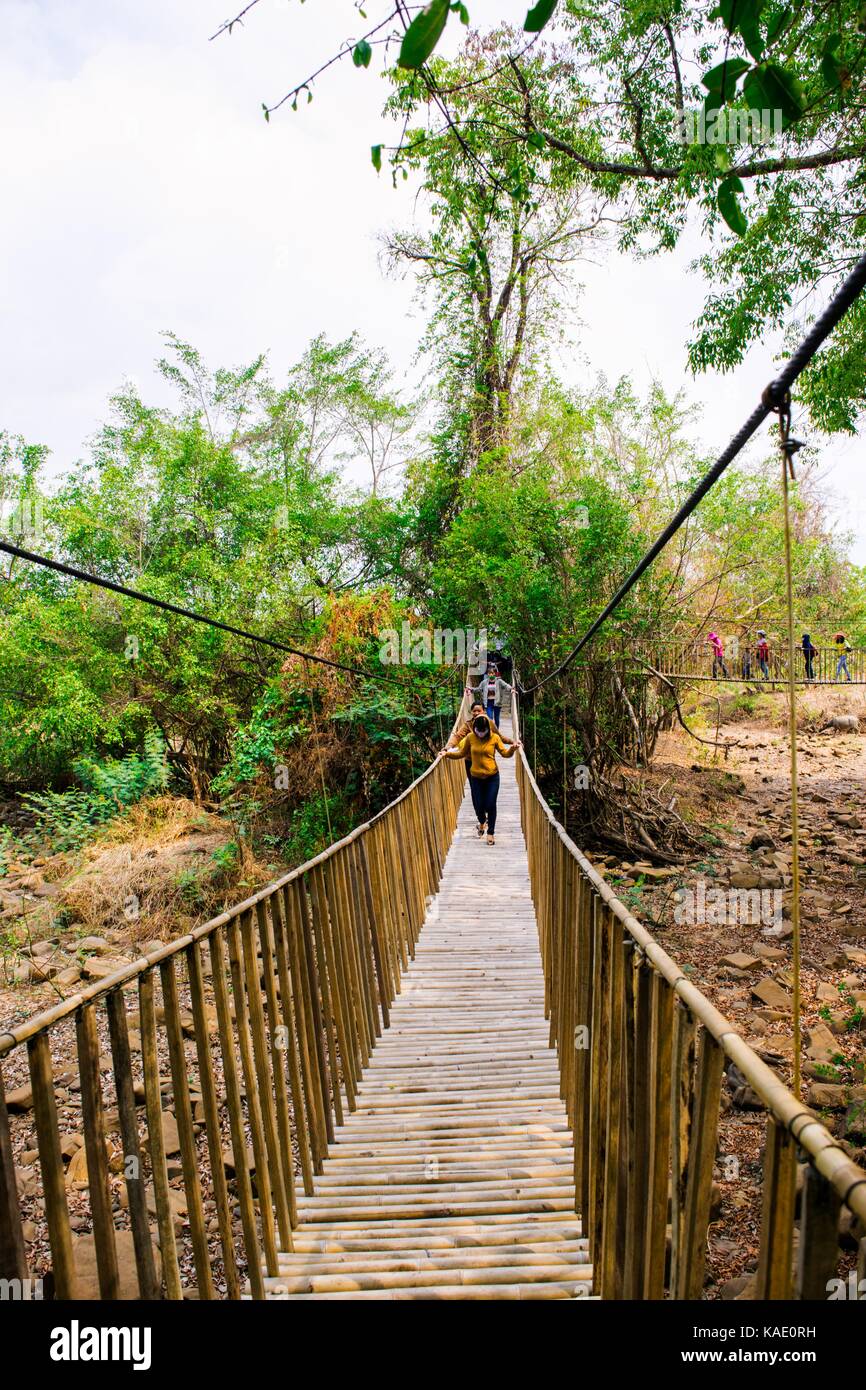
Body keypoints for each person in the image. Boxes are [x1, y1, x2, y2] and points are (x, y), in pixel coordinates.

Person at [443, 713, 520, 846]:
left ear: (488, 729)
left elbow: (505, 754)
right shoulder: (470, 737)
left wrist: (512, 749)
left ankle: (490, 833)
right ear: (474, 728)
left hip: (492, 777)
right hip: (476, 777)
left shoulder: (494, 738)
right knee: (478, 805)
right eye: (478, 730)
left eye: (483, 731)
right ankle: (482, 821)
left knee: (490, 804)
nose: (480, 734)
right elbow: (461, 753)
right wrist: (447, 754)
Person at [447, 702, 514, 779]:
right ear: (471, 712)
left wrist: (512, 742)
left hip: (487, 761)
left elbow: (500, 737)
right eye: (474, 711)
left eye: (479, 711)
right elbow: (457, 736)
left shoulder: (489, 723)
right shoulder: (468, 725)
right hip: (470, 760)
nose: (476, 713)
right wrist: (448, 748)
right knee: (473, 786)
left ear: (483, 711)